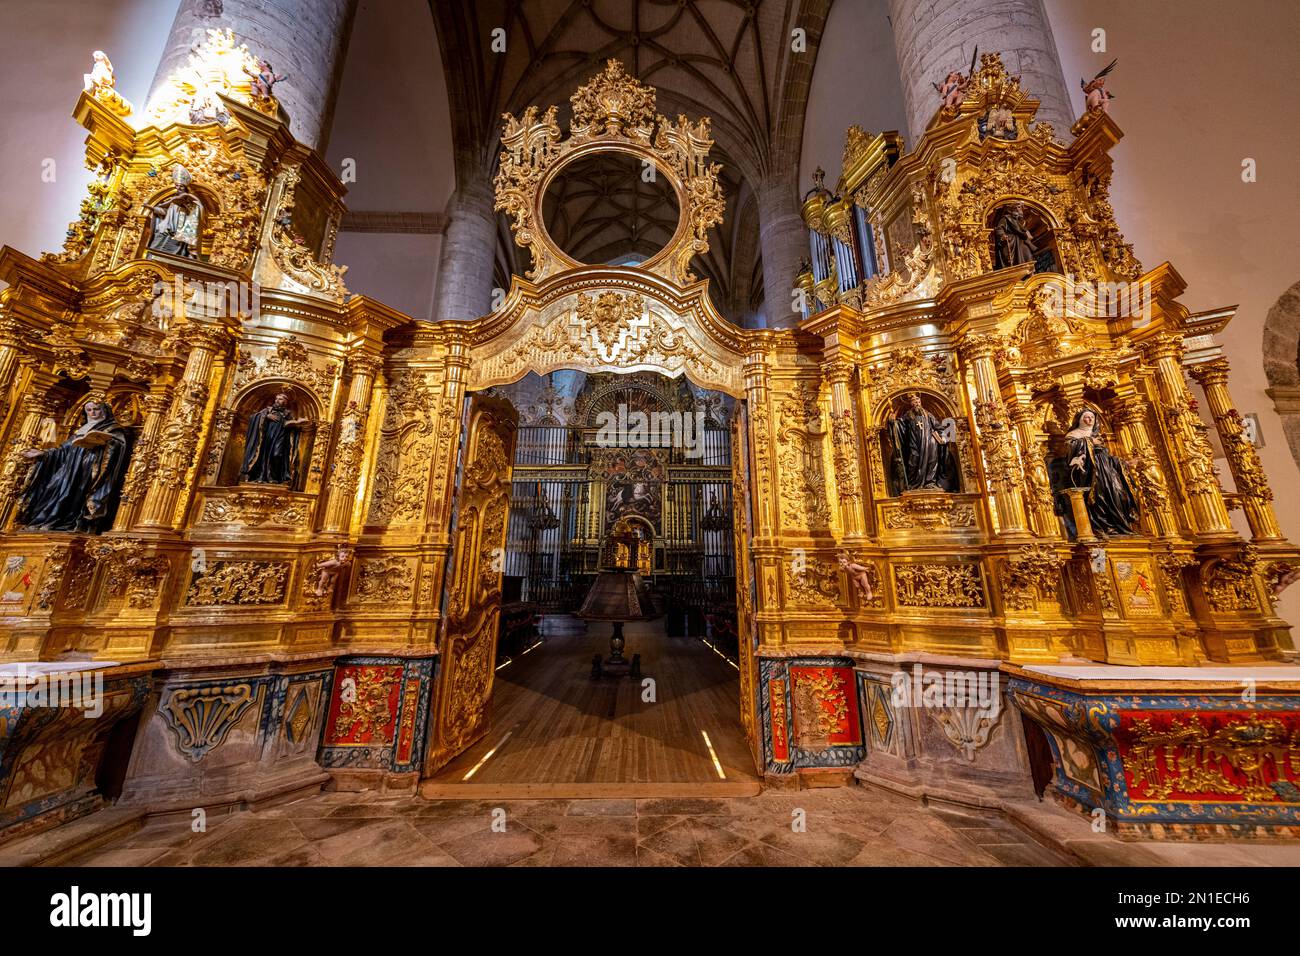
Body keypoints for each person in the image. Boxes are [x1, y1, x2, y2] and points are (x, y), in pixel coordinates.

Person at [17, 400, 131, 534]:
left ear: (104, 410)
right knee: (52, 487)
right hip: (69, 468)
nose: (92, 413)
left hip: (89, 470)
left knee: (73, 494)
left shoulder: (113, 428)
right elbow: (63, 450)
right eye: (89, 410)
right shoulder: (83, 428)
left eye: (96, 409)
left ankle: (66, 523)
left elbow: (119, 448)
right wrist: (44, 453)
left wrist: (106, 443)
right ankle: (43, 521)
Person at [1053, 408, 1139, 537]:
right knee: (1099, 497)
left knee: (1119, 494)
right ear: (1080, 420)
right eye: (1086, 417)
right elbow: (1072, 453)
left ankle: (1120, 526)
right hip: (1090, 473)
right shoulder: (1073, 435)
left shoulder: (1096, 436)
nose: (1090, 420)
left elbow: (1107, 457)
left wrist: (1124, 463)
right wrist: (1088, 442)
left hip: (1108, 472)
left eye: (1092, 418)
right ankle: (1103, 527)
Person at [887, 393, 958, 493]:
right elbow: (900, 427)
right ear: (911, 403)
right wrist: (893, 421)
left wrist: (942, 437)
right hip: (915, 444)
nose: (917, 403)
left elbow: (937, 426)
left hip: (930, 443)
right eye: (914, 401)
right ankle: (914, 483)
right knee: (913, 461)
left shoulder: (928, 414)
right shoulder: (908, 415)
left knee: (932, 461)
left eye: (918, 401)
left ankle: (930, 482)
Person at [239, 393, 309, 485]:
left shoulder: (287, 413)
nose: (277, 400)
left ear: (285, 402)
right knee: (263, 455)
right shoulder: (268, 410)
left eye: (280, 399)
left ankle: (274, 477)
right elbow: (253, 417)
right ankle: (262, 476)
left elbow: (290, 426)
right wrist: (265, 416)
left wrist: (297, 423)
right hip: (267, 438)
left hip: (281, 438)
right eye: (276, 399)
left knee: (277, 455)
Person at [993, 203, 1037, 269]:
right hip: (1012, 241)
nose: (1017, 209)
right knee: (1015, 260)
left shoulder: (1021, 221)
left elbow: (1024, 231)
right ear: (1011, 210)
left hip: (1022, 241)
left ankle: (1030, 273)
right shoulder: (1006, 218)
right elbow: (999, 228)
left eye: (1019, 207)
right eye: (1015, 208)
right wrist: (1002, 235)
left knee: (1028, 256)